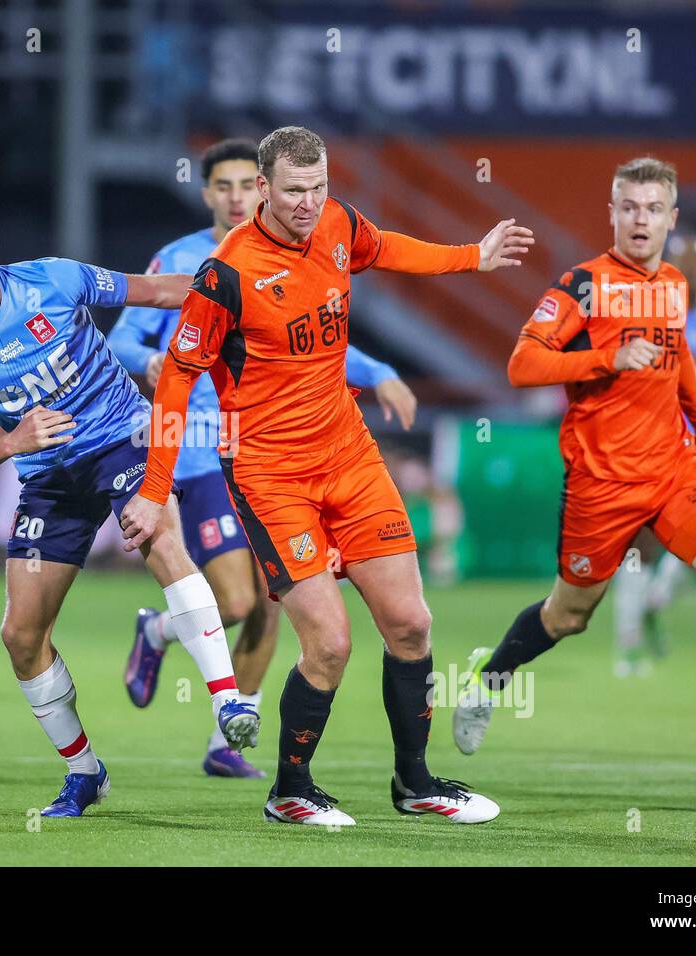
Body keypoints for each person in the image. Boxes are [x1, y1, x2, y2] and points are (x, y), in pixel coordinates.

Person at [120, 126, 532, 825]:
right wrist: (155, 492)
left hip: (350, 456)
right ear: (264, 187)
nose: (309, 204)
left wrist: (474, 256)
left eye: (318, 188)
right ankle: (289, 790)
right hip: (270, 474)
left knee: (410, 624)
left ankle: (416, 783)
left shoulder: (337, 222)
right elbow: (176, 385)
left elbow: (387, 247)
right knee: (330, 643)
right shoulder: (226, 274)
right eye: (293, 191)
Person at [452, 158, 696, 795]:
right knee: (568, 617)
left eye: (653, 209)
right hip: (601, 484)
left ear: (671, 219)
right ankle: (490, 675)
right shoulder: (583, 285)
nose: (640, 219)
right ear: (612, 213)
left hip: (674, 469)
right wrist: (605, 356)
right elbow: (522, 364)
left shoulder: (674, 283)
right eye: (629, 207)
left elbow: (678, 359)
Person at [0, 201, 259, 819]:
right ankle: (85, 772)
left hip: (124, 435)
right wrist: (12, 443)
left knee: (161, 541)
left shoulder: (53, 279)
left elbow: (153, 290)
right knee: (20, 635)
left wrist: (238, 293)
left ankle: (228, 700)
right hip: (48, 476)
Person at [109, 138, 417, 779]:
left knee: (276, 600)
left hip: (279, 448)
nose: (236, 196)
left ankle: (229, 737)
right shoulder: (194, 260)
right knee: (240, 600)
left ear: (264, 188)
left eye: (247, 184)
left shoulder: (304, 246)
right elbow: (124, 337)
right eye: (223, 186)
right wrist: (150, 362)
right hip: (203, 452)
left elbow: (308, 342)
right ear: (206, 194)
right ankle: (163, 630)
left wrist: (380, 370)